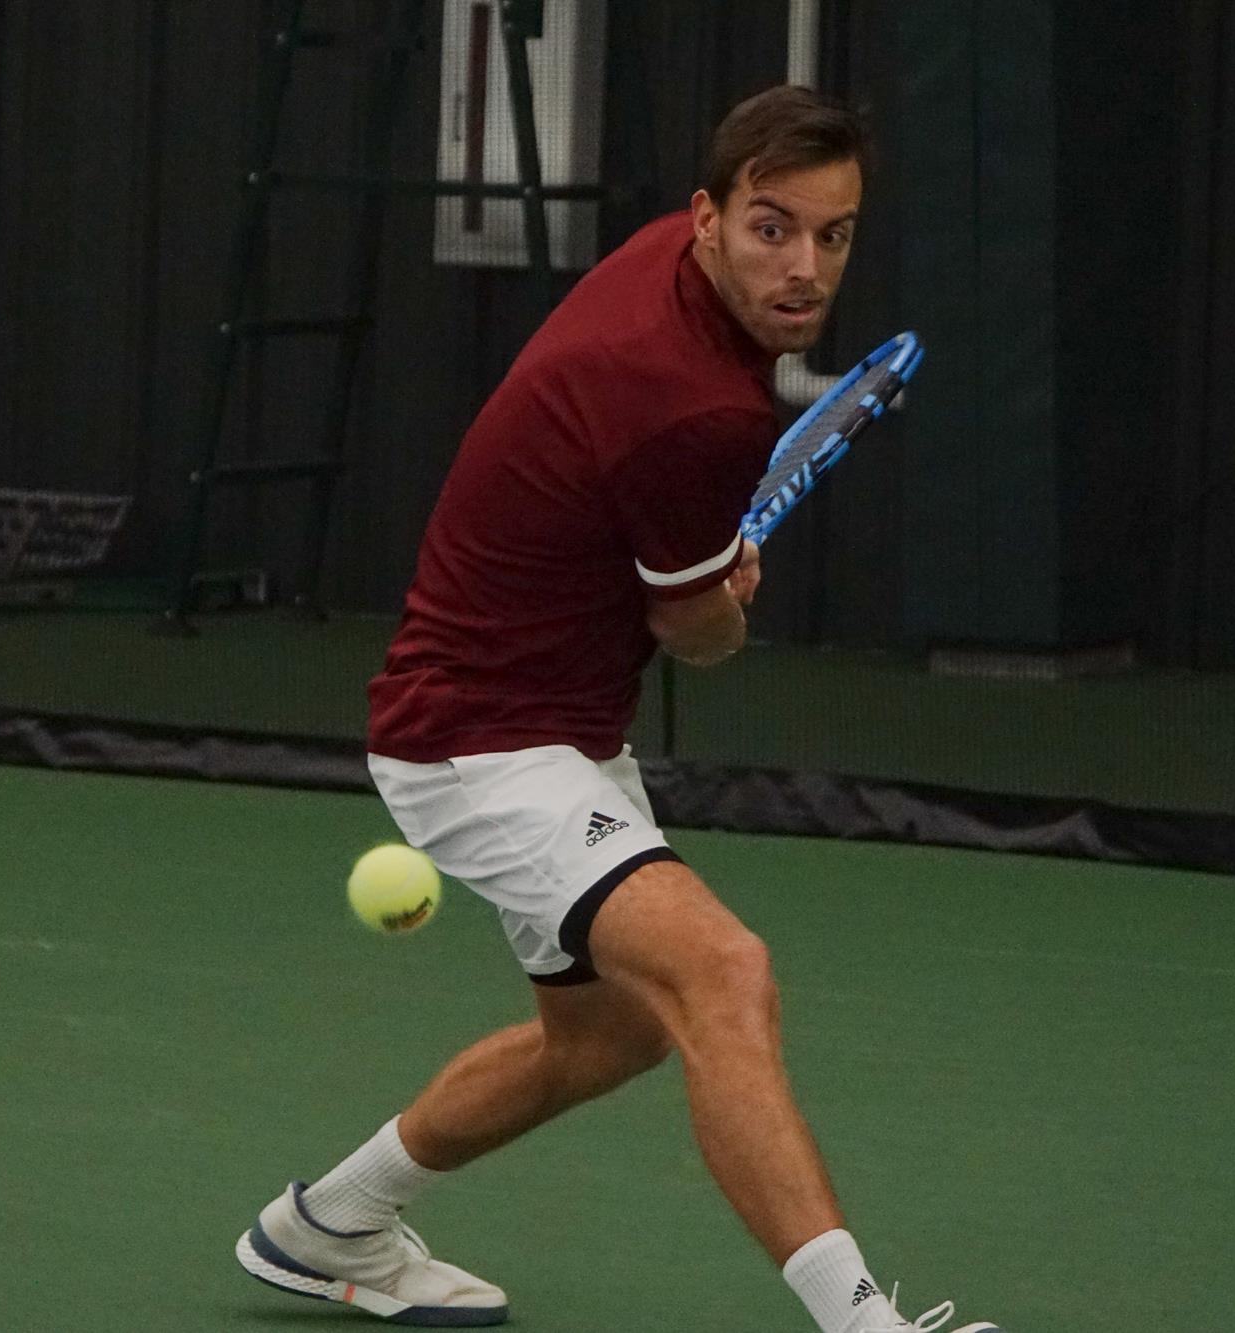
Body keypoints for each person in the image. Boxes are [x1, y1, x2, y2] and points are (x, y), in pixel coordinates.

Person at [233, 85, 1002, 1333]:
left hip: (548, 724)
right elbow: (695, 641)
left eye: (833, 233)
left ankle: (325, 1226)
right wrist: (722, 596)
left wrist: (697, 571)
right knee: (723, 974)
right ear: (706, 219)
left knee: (608, 1040)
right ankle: (869, 1326)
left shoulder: (664, 269)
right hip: (479, 741)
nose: (804, 266)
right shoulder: (696, 410)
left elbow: (650, 570)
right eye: (772, 228)